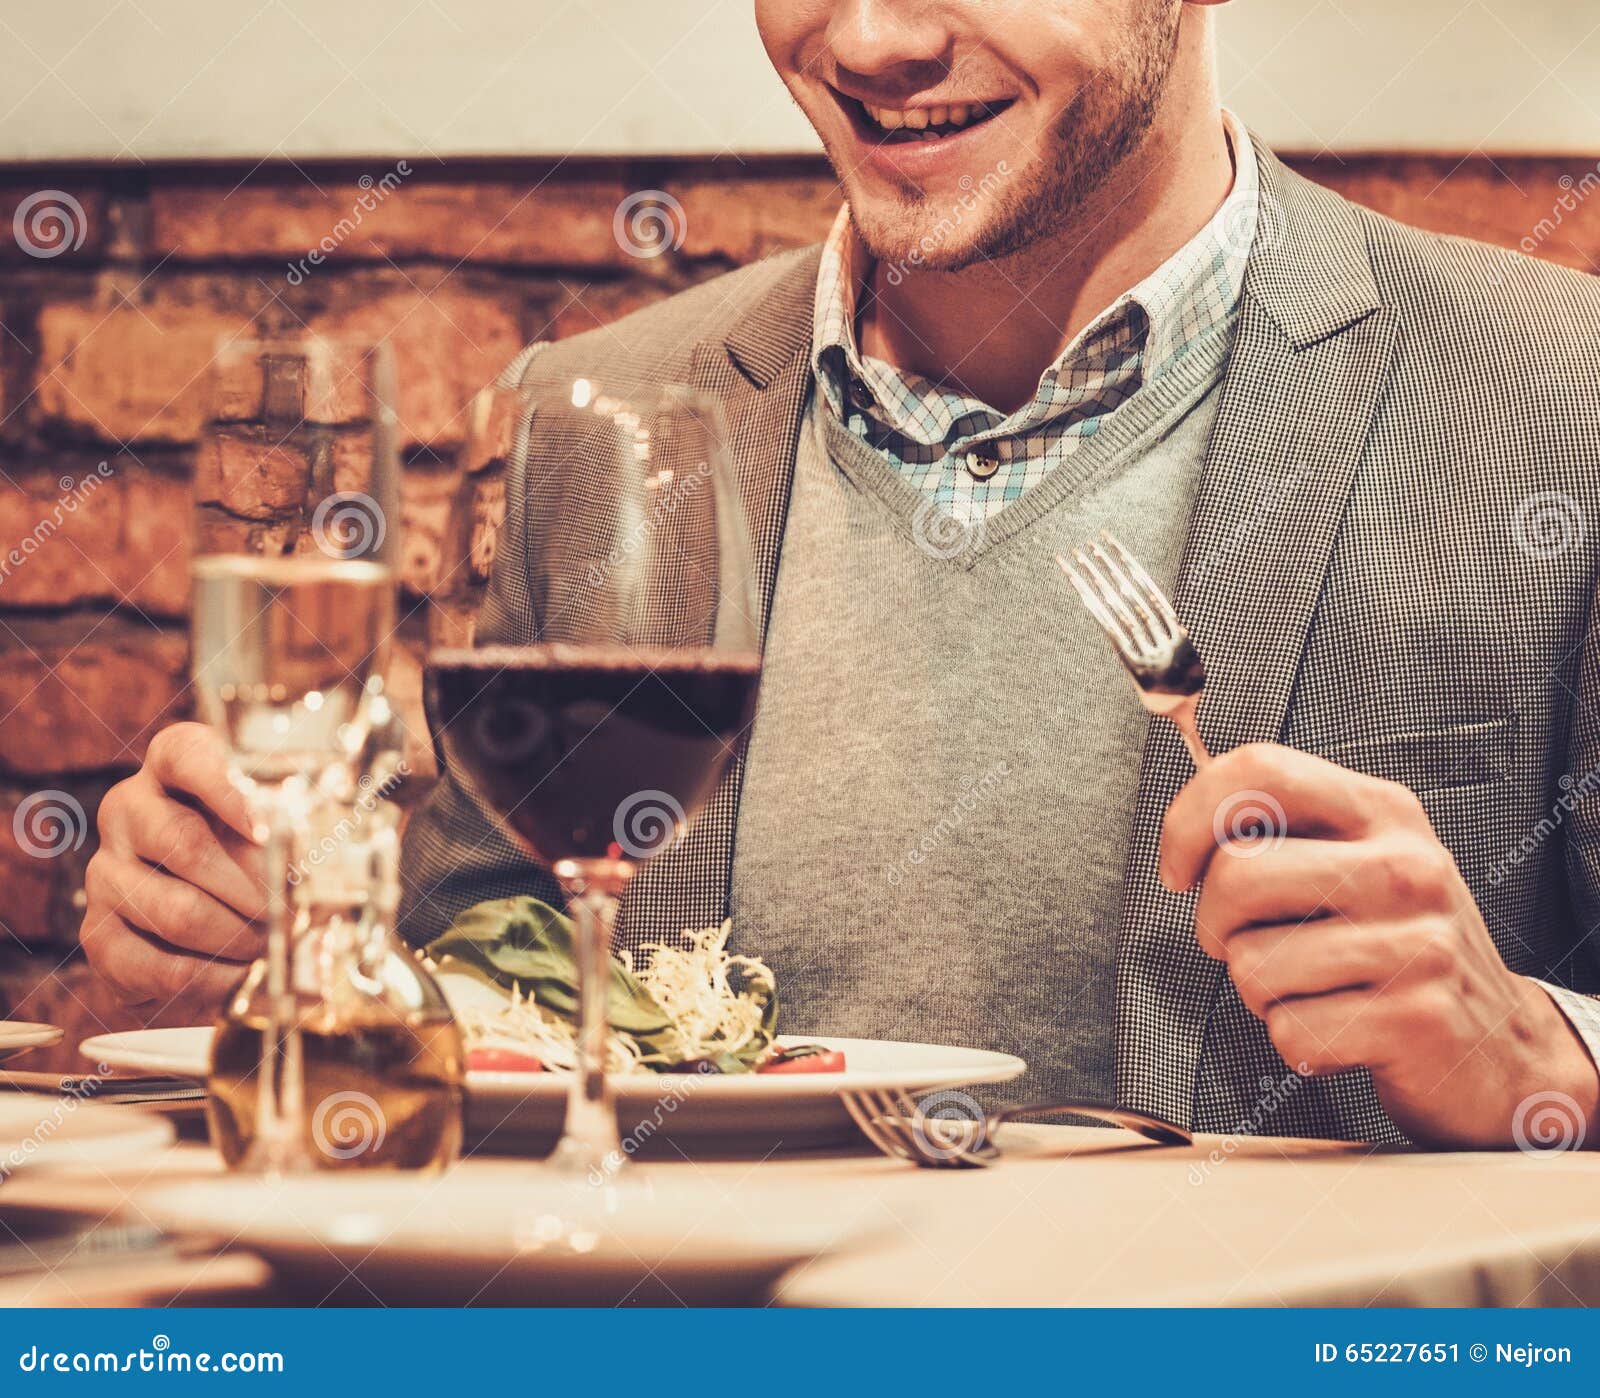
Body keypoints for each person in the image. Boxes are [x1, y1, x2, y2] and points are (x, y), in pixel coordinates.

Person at [82, 0, 1600, 1149]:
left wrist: (1545, 1058)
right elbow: (486, 1010)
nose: (869, 38)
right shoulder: (598, 407)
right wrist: (237, 961)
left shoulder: (1557, 399)